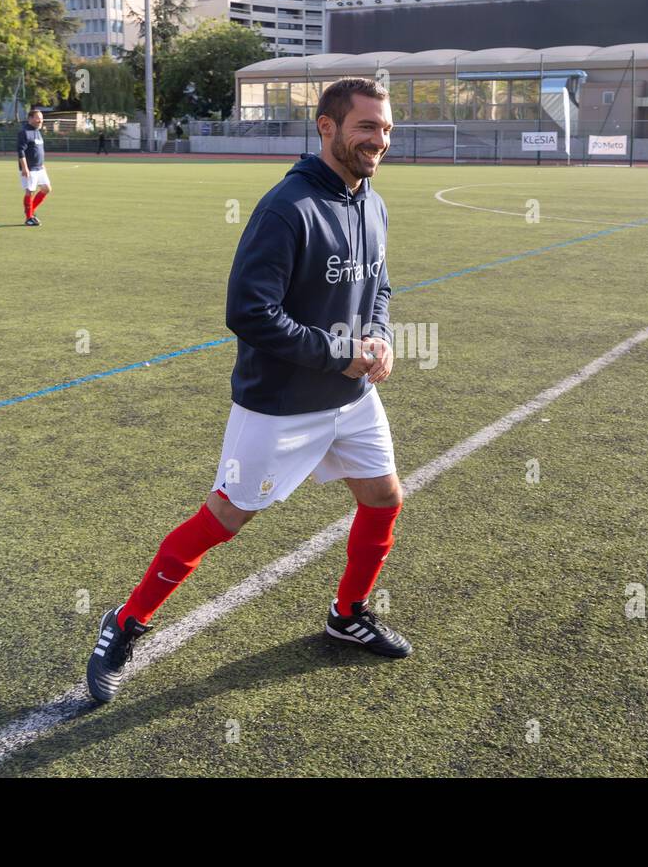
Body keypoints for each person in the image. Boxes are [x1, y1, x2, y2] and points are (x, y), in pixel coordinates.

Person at [86, 77, 409, 704]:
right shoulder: (287, 208)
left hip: (351, 400)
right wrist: (336, 353)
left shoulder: (371, 201)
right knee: (226, 517)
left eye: (387, 128)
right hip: (281, 405)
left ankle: (347, 614)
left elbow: (380, 286)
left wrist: (378, 335)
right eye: (367, 127)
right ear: (327, 127)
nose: (380, 140)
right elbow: (249, 312)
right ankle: (124, 624)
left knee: (383, 498)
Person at [17, 107, 50, 227]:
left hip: (39, 168)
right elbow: (20, 151)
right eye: (37, 118)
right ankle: (29, 218)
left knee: (46, 189)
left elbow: (37, 150)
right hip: (30, 168)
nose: (40, 121)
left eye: (41, 118)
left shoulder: (37, 131)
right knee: (30, 191)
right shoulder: (24, 132)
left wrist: (42, 165)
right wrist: (25, 168)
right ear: (30, 119)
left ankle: (30, 211)